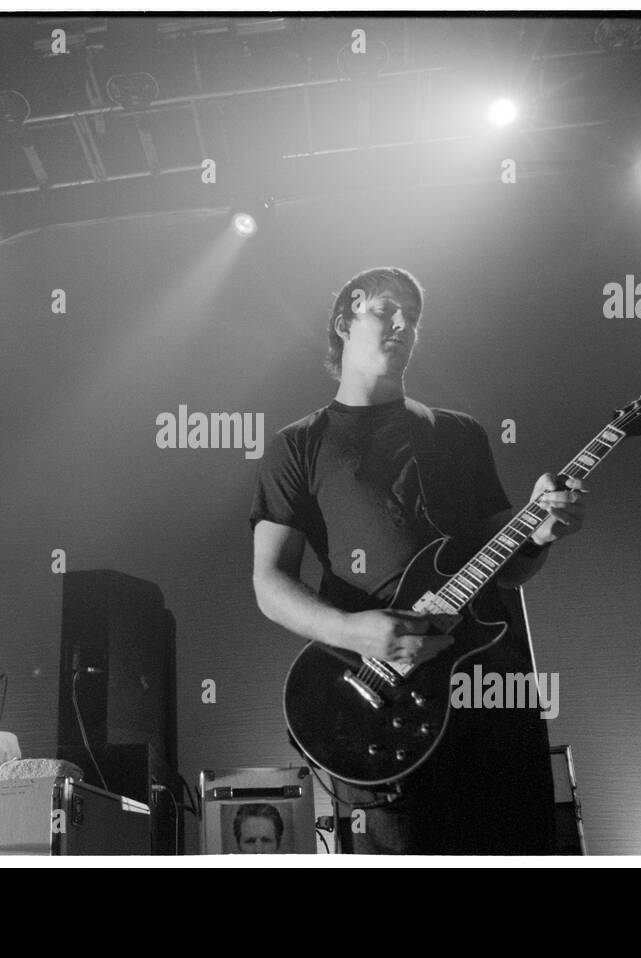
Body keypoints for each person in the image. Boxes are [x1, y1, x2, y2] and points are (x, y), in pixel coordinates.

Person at [250, 266, 587, 854]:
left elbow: (509, 566)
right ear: (343, 320)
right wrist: (354, 631)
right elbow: (269, 581)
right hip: (386, 708)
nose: (404, 324)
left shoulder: (459, 434)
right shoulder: (296, 446)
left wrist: (541, 531)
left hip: (494, 692)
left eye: (414, 316)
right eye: (387, 309)